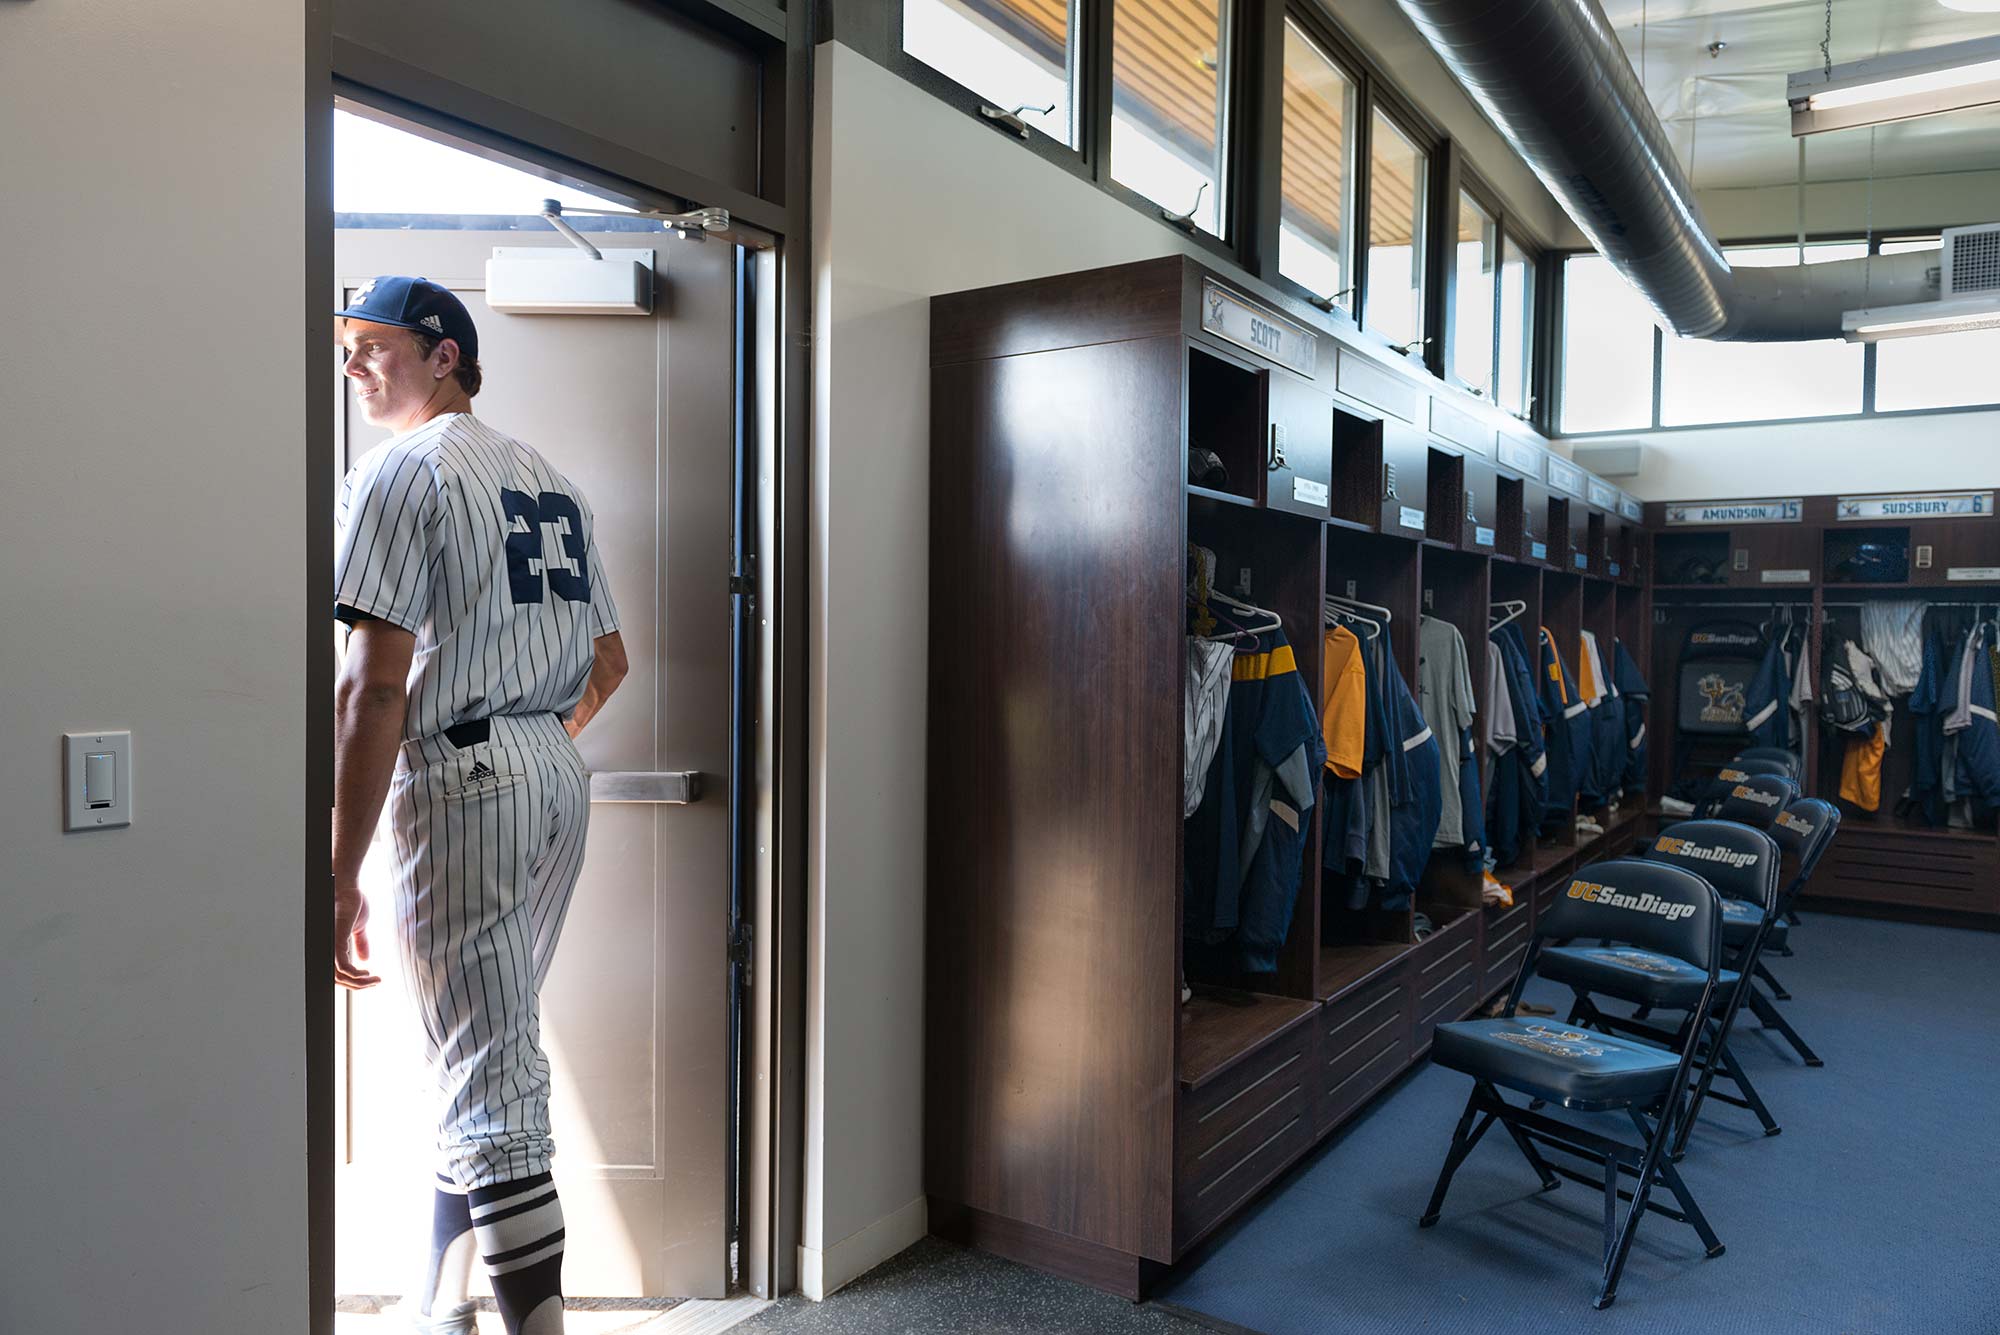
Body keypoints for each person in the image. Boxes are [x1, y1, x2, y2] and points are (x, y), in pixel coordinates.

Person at [330, 276, 628, 1335]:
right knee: (476, 1054)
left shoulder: (400, 471)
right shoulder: (546, 477)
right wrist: (528, 741)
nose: (355, 366)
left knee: (487, 1080)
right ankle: (435, 1306)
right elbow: (610, 661)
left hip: (466, 770)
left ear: (443, 353)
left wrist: (334, 873)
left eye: (372, 346)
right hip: (550, 763)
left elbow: (371, 688)